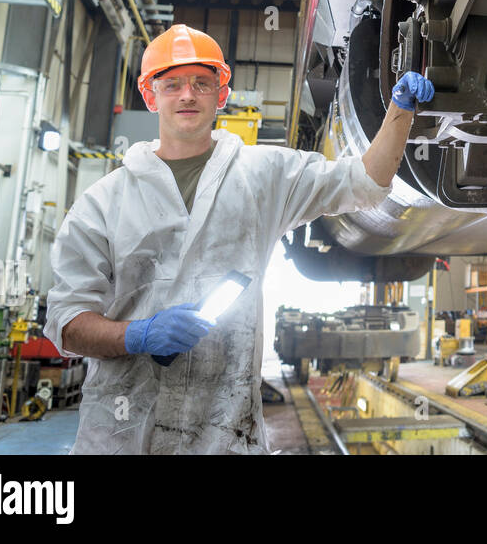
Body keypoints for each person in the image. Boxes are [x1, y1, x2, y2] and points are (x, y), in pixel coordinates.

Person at [43, 23, 433, 453]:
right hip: (123, 436)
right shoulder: (103, 203)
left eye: (201, 83)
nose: (188, 95)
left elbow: (363, 183)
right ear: (150, 96)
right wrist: (138, 335)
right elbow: (67, 324)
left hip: (225, 434)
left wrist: (400, 111)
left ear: (221, 95)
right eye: (172, 84)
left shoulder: (263, 176)